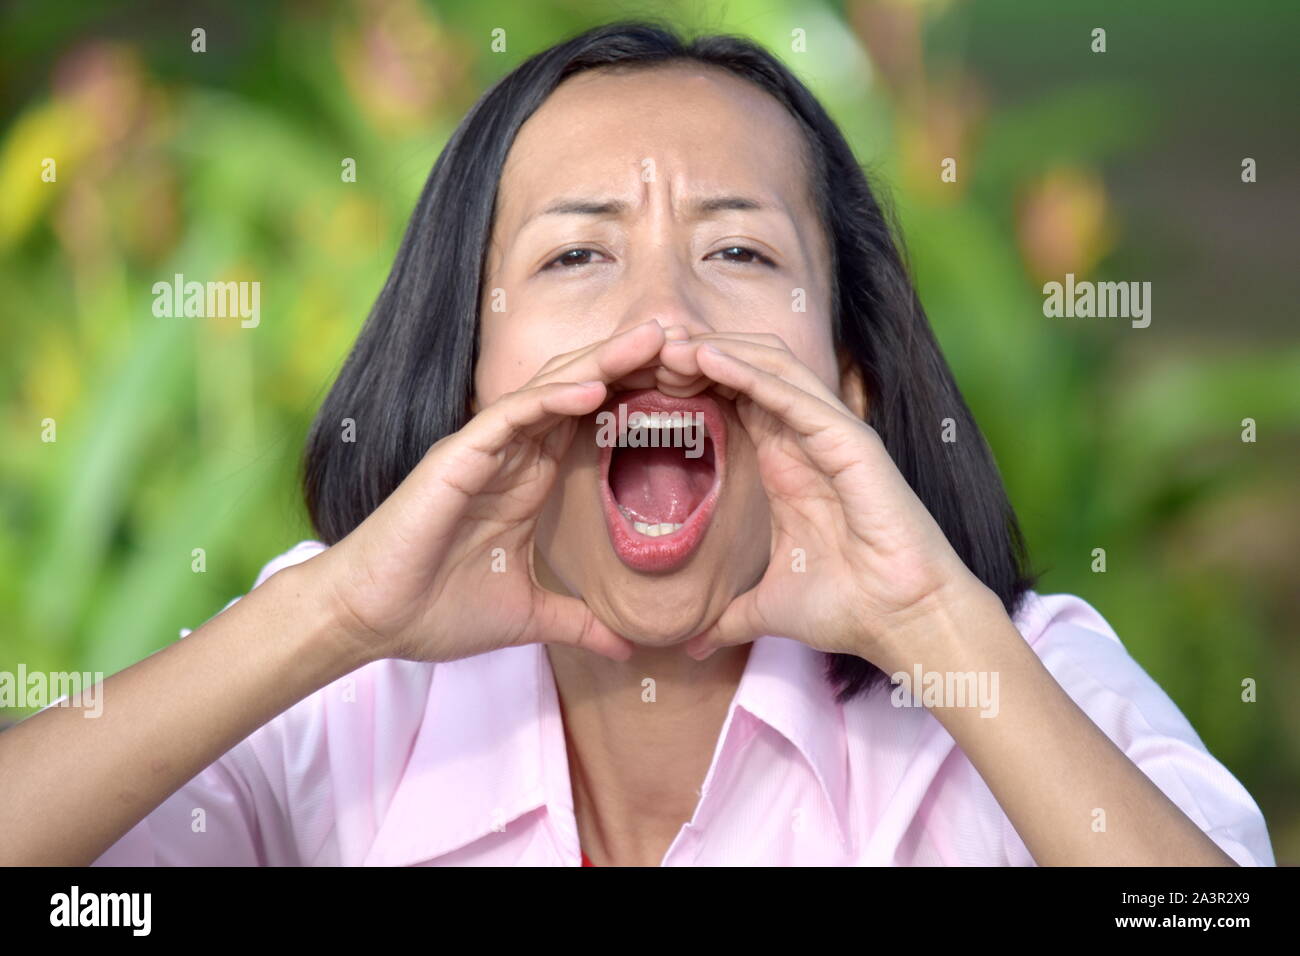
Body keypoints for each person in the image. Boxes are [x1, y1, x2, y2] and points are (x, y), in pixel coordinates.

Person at [0, 21, 1274, 867]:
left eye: (738, 250)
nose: (661, 321)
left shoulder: (1013, 674)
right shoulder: (349, 685)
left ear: (850, 376)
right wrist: (331, 618)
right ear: (468, 373)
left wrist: (929, 622)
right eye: (575, 253)